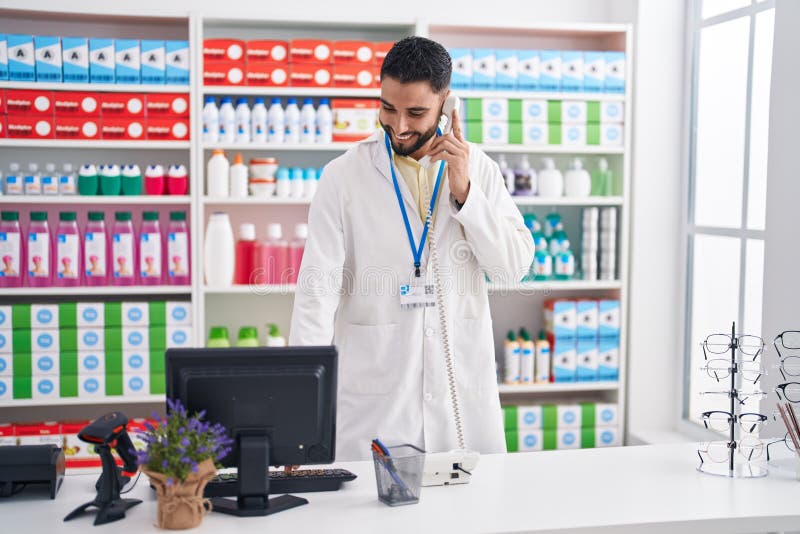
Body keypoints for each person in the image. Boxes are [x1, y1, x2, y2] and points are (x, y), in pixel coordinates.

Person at [289, 36, 534, 461]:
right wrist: (296, 408)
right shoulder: (343, 177)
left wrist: (465, 193)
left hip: (460, 403)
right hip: (373, 404)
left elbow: (512, 268)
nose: (399, 125)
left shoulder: (480, 170)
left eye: (416, 112)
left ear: (447, 104)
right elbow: (315, 295)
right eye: (388, 107)